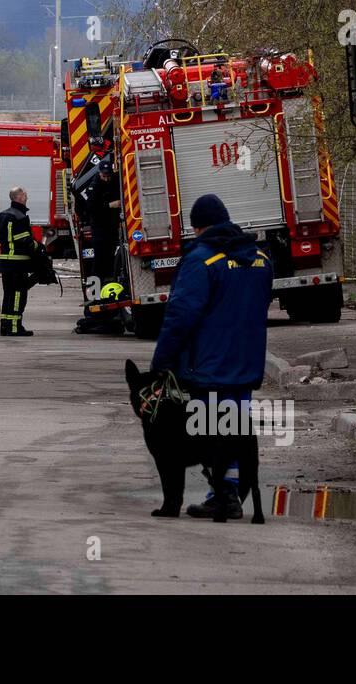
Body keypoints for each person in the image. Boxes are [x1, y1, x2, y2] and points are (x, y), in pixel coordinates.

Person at [150, 193, 274, 519]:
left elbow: (180, 315)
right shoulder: (259, 258)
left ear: (198, 228)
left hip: (208, 364)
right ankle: (227, 492)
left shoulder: (202, 260)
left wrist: (161, 361)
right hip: (245, 362)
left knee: (209, 432)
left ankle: (223, 497)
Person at [0, 186, 39, 336]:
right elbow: (24, 240)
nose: (26, 197)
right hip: (18, 263)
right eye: (25, 195)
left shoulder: (1, 216)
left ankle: (5, 327)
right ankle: (14, 327)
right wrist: (39, 247)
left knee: (8, 295)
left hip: (5, 263)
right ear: (19, 197)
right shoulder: (19, 217)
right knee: (18, 295)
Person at [84, 159, 122, 289]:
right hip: (99, 227)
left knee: (112, 259)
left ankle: (110, 289)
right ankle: (94, 292)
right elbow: (92, 207)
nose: (106, 179)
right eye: (104, 176)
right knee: (99, 260)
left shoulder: (115, 179)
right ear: (100, 173)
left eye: (108, 176)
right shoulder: (94, 185)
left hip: (112, 226)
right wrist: (110, 205)